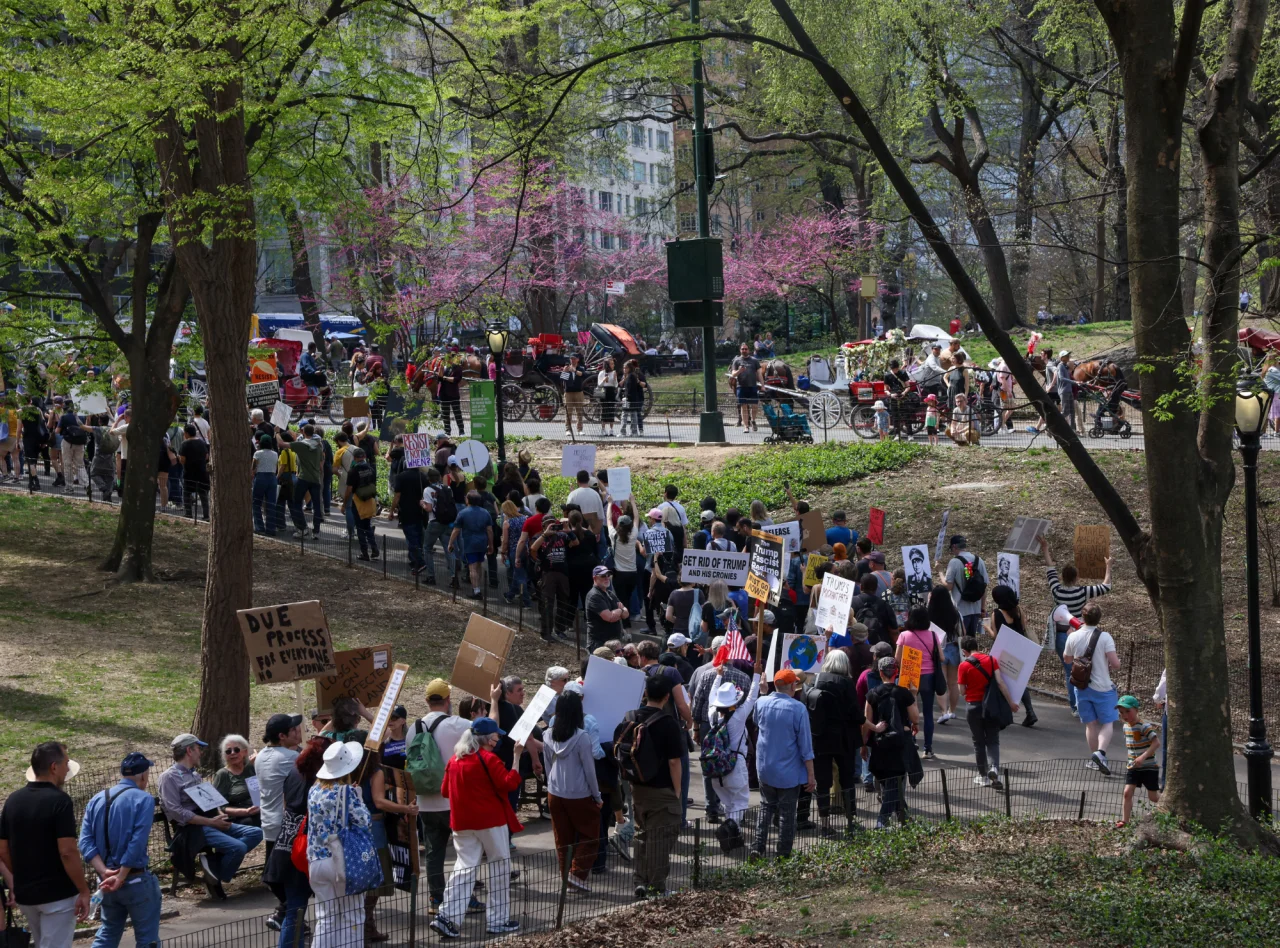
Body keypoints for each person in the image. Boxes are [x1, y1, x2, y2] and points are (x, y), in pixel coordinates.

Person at [432, 718, 524, 939]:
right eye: (496, 736)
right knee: (499, 866)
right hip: (491, 821)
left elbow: (445, 791)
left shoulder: (455, 760)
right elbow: (509, 783)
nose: (498, 739)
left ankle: (447, 916)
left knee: (464, 868)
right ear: (488, 739)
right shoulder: (490, 759)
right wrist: (517, 757)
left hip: (462, 823)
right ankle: (498, 920)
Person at [0, 742, 90, 946]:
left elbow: (3, 849)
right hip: (57, 895)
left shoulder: (13, 800)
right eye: (66, 763)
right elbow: (67, 852)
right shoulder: (60, 801)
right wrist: (84, 890)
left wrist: (20, 876)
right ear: (54, 767)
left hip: (26, 895)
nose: (67, 768)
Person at [157, 733, 263, 900]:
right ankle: (215, 877)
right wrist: (211, 822)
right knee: (238, 848)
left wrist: (221, 817)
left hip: (210, 822)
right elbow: (177, 812)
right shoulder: (168, 777)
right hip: (191, 830)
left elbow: (212, 801)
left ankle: (213, 867)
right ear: (189, 751)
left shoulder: (194, 775)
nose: (201, 753)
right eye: (198, 748)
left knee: (256, 832)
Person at [76, 752, 161, 948]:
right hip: (135, 880)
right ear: (143, 775)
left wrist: (105, 871)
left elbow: (85, 841)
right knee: (148, 939)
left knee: (107, 934)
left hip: (106, 883)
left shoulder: (96, 799)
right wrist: (120, 876)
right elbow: (137, 842)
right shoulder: (144, 799)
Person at [614, 672, 685, 900]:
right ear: (667, 697)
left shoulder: (630, 717)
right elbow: (674, 761)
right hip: (662, 789)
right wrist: (677, 791)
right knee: (660, 841)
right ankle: (657, 888)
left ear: (645, 693)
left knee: (642, 835)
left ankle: (640, 882)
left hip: (637, 787)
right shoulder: (668, 723)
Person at [409, 679, 477, 914]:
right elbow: (487, 728)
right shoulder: (458, 724)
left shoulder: (413, 728)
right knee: (465, 852)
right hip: (453, 801)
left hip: (426, 802)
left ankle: (436, 899)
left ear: (427, 700)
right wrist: (494, 701)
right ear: (448, 700)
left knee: (433, 853)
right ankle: (464, 899)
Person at [307, 741, 380, 945]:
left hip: (316, 860)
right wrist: (358, 798)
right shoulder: (347, 792)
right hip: (342, 861)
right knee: (352, 915)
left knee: (326, 918)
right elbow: (365, 822)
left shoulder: (313, 790)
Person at [1039, 536, 1113, 716]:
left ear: (1062, 577)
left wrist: (1045, 548)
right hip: (1080, 634)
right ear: (1077, 577)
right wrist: (1108, 566)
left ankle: (1075, 706)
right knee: (1084, 667)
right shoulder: (1083, 592)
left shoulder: (1056, 590)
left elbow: (1050, 568)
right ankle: (1086, 702)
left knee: (1069, 671)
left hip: (1061, 635)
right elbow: (1106, 586)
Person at [750, 668, 815, 859]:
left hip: (765, 768)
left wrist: (764, 694)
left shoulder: (761, 702)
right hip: (788, 772)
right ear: (793, 686)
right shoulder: (798, 709)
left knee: (765, 807)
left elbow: (756, 721)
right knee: (787, 814)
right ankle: (783, 854)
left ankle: (757, 847)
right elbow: (806, 746)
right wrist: (811, 775)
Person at [541, 690, 602, 891]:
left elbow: (548, 764)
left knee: (562, 838)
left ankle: (567, 878)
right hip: (579, 793)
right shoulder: (582, 737)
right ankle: (576, 874)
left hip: (555, 792)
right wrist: (597, 796)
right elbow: (589, 770)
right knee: (591, 835)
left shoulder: (547, 734)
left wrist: (551, 785)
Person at [798, 650, 862, 836]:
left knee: (823, 782)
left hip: (820, 738)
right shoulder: (846, 683)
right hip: (844, 739)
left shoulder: (814, 680)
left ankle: (825, 824)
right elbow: (856, 714)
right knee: (847, 780)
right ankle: (851, 821)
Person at [256, 713, 303, 932]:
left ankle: (285, 914)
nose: (298, 731)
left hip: (269, 824)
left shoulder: (261, 756)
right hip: (287, 826)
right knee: (289, 877)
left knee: (274, 874)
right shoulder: (289, 757)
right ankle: (288, 915)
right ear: (282, 736)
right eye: (293, 729)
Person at [863, 657, 920, 829]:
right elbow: (915, 718)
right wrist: (914, 694)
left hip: (880, 744)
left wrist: (863, 744)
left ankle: (904, 818)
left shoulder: (872, 694)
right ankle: (883, 820)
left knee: (889, 782)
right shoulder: (904, 693)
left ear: (880, 673)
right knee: (895, 782)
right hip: (900, 743)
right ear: (897, 672)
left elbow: (866, 722)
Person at [1064, 602, 1121, 774]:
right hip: (1103, 687)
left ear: (1082, 617)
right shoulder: (1105, 637)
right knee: (1108, 722)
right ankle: (1101, 753)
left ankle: (1095, 759)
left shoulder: (1073, 636)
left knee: (1091, 725)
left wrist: (1070, 639)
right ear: (1099, 618)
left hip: (1082, 686)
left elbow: (1067, 659)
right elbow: (1115, 664)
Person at [705, 661, 763, 828]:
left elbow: (711, 696)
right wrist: (756, 674)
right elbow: (752, 697)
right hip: (735, 764)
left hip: (717, 766)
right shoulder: (738, 716)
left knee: (728, 803)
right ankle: (730, 831)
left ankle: (729, 831)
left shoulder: (712, 713)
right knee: (740, 802)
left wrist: (718, 676)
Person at [957, 636, 1020, 787]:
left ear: (964, 651)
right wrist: (1011, 703)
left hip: (973, 707)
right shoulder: (992, 660)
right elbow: (1000, 683)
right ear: (977, 646)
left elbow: (962, 691)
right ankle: (994, 769)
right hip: (991, 707)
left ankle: (983, 776)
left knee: (978, 742)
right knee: (993, 740)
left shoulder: (963, 666)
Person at [983, 585, 1038, 727]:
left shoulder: (997, 613)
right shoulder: (1018, 610)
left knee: (1001, 680)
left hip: (1004, 652)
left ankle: (1004, 713)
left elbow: (997, 636)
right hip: (1020, 650)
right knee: (1019, 681)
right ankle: (1030, 711)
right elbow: (1024, 628)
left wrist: (987, 628)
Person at [1115, 695, 1161, 828]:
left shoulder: (1144, 726)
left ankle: (1170, 807)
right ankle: (1125, 821)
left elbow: (1156, 743)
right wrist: (1133, 760)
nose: (1124, 715)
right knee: (1127, 793)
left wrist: (1142, 757)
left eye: (1127, 711)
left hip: (1149, 766)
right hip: (1133, 766)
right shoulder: (1125, 727)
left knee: (1153, 797)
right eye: (1121, 712)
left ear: (1136, 710)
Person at [449, 491, 495, 600]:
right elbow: (489, 530)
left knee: (472, 567)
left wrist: (450, 543)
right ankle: (478, 587)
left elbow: (456, 530)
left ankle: (476, 590)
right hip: (482, 542)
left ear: (468, 500)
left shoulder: (463, 513)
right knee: (478, 565)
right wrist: (491, 544)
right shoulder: (485, 512)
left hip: (470, 542)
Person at [943, 535, 987, 638]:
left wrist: (940, 572)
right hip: (976, 609)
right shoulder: (979, 560)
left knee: (960, 641)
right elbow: (984, 586)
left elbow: (948, 586)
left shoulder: (954, 562)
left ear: (954, 547)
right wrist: (982, 608)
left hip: (960, 610)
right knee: (971, 641)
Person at [211, 735, 261, 826]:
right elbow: (219, 806)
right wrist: (246, 812)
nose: (232, 753)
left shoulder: (251, 768)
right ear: (225, 755)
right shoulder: (223, 774)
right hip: (238, 818)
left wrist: (259, 764)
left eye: (236, 750)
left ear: (245, 752)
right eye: (228, 751)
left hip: (260, 811)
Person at [389, 460, 428, 576]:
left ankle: (419, 562)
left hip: (406, 511)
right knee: (419, 536)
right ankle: (415, 559)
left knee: (411, 538)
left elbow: (397, 495)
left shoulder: (401, 477)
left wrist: (392, 510)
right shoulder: (423, 477)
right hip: (421, 511)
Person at [342, 447, 380, 561]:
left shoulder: (353, 471)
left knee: (359, 527)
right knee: (367, 526)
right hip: (369, 500)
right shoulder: (371, 469)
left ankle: (364, 553)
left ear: (354, 458)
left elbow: (349, 490)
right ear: (364, 457)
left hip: (358, 501)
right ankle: (374, 549)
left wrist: (344, 504)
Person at [585, 565, 627, 651]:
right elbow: (609, 617)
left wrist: (619, 612)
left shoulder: (610, 593)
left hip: (613, 643)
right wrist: (620, 610)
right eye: (603, 576)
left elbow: (626, 614)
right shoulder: (594, 595)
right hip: (599, 645)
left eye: (608, 575)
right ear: (595, 578)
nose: (607, 578)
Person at [177, 423, 210, 520]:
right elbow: (206, 456)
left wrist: (179, 458)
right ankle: (206, 515)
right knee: (203, 495)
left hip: (189, 472)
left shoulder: (185, 444)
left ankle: (188, 513)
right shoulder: (202, 442)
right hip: (202, 472)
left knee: (186, 493)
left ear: (187, 433)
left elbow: (182, 460)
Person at [251, 433, 279, 535]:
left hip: (261, 477)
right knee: (271, 504)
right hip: (272, 478)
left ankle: (259, 527)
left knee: (256, 503)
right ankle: (271, 528)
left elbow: (253, 467)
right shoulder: (275, 454)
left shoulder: (258, 453)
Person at [729, 343, 760, 432]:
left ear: (748, 350)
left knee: (755, 405)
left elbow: (759, 374)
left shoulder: (754, 360)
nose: (744, 350)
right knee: (743, 406)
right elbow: (733, 374)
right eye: (742, 349)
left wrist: (762, 385)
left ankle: (753, 421)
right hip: (741, 386)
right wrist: (739, 371)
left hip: (753, 386)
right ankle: (746, 426)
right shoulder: (736, 361)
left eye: (746, 349)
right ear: (740, 350)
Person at [620, 359, 648, 437]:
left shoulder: (638, 374)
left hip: (638, 396)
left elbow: (645, 385)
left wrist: (638, 381)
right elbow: (622, 385)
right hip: (631, 397)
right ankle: (633, 432)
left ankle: (640, 430)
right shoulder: (627, 375)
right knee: (632, 414)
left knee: (637, 414)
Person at [561, 352, 587, 435]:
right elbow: (562, 380)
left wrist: (575, 371)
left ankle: (580, 430)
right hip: (568, 392)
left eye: (574, 359)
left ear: (577, 359)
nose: (573, 360)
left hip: (578, 392)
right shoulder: (567, 368)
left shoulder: (581, 368)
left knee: (579, 412)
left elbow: (584, 375)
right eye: (571, 359)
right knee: (568, 412)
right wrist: (564, 371)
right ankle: (568, 429)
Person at [597, 356, 618, 437]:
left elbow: (616, 385)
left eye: (613, 364)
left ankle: (611, 429)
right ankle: (603, 429)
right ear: (607, 365)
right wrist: (604, 380)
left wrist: (615, 379)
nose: (613, 365)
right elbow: (599, 385)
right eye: (611, 364)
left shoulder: (614, 372)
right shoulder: (601, 373)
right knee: (604, 409)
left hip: (611, 391)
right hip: (603, 390)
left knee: (611, 409)